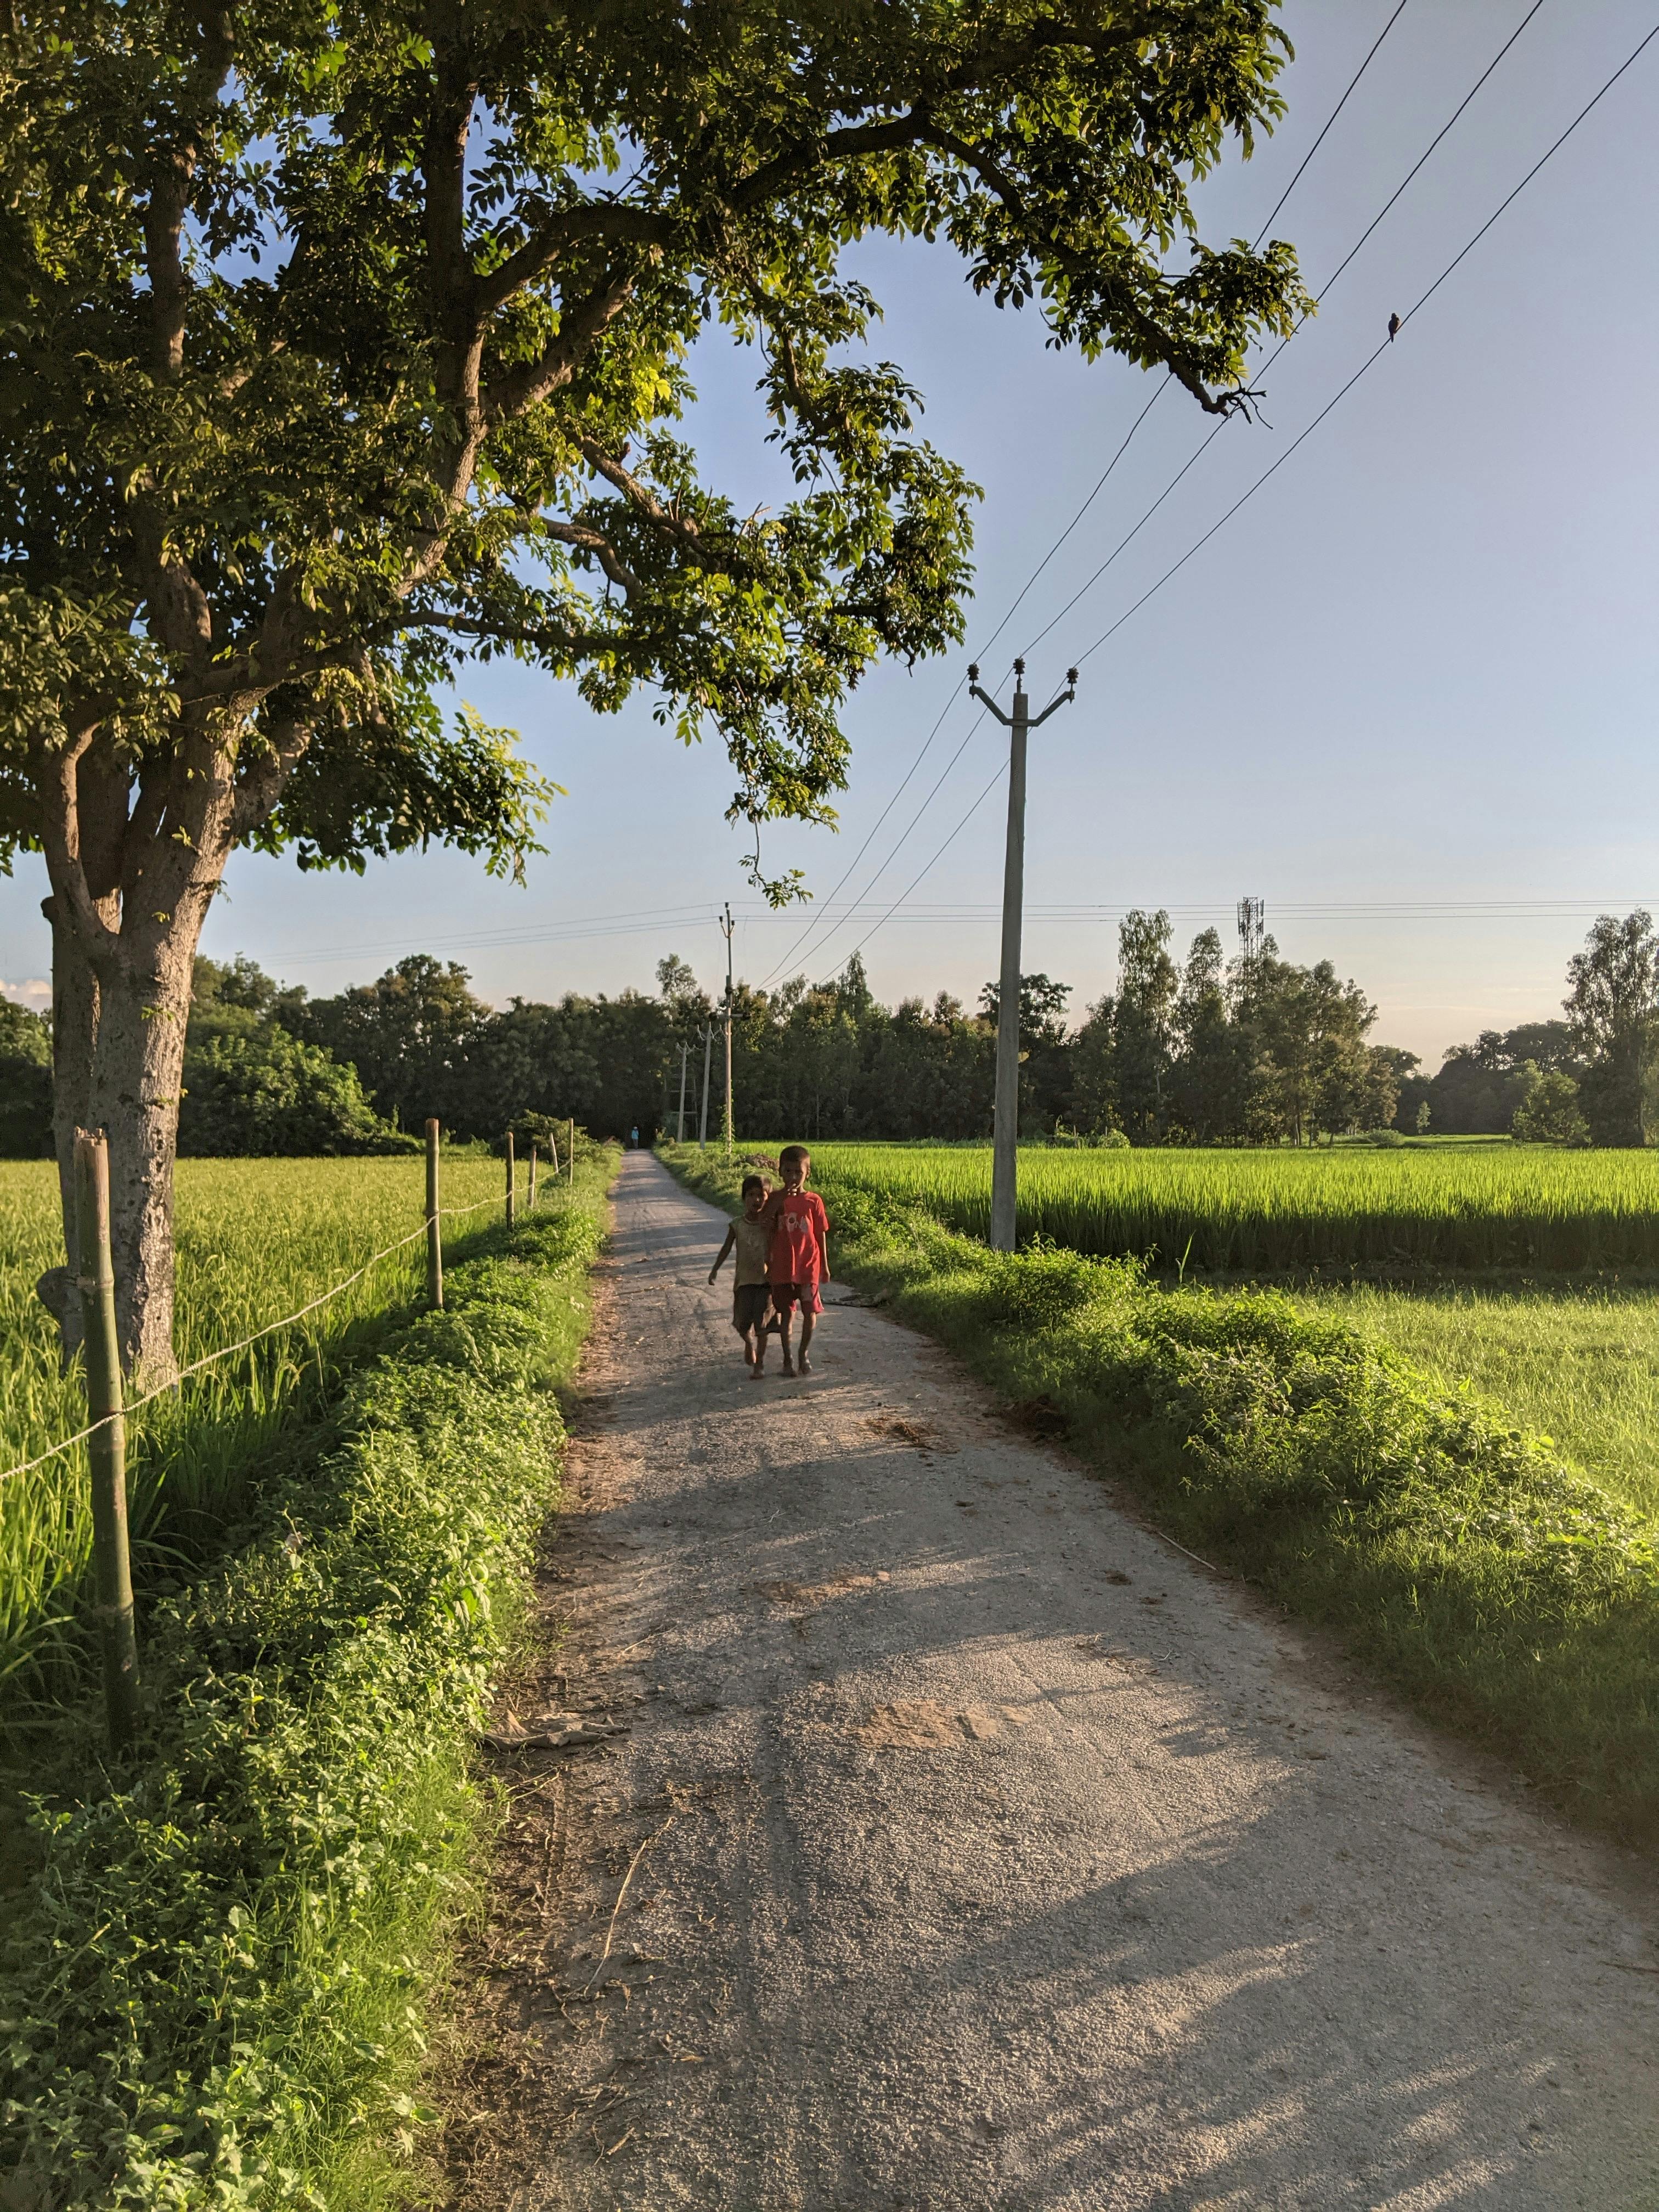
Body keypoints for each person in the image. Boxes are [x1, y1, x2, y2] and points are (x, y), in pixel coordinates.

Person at [760, 1146, 830, 1376]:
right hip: (782, 1268)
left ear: (807, 1173)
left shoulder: (813, 1201)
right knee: (787, 1314)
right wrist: (767, 1262)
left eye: (798, 1173)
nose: (793, 1178)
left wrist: (826, 1267)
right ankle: (788, 1358)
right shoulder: (775, 1200)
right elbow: (764, 1225)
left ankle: (803, 1354)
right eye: (788, 1172)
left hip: (808, 1267)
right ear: (780, 1172)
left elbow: (820, 1234)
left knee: (810, 1312)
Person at [708, 1174, 775, 1376]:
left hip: (766, 1282)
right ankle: (748, 1343)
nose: (756, 1200)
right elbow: (726, 1248)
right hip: (744, 1282)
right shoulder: (737, 1224)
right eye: (751, 1195)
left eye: (762, 1195)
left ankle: (760, 1364)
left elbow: (782, 1248)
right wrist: (715, 1269)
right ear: (743, 1198)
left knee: (762, 1326)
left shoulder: (771, 1225)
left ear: (768, 1198)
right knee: (742, 1324)